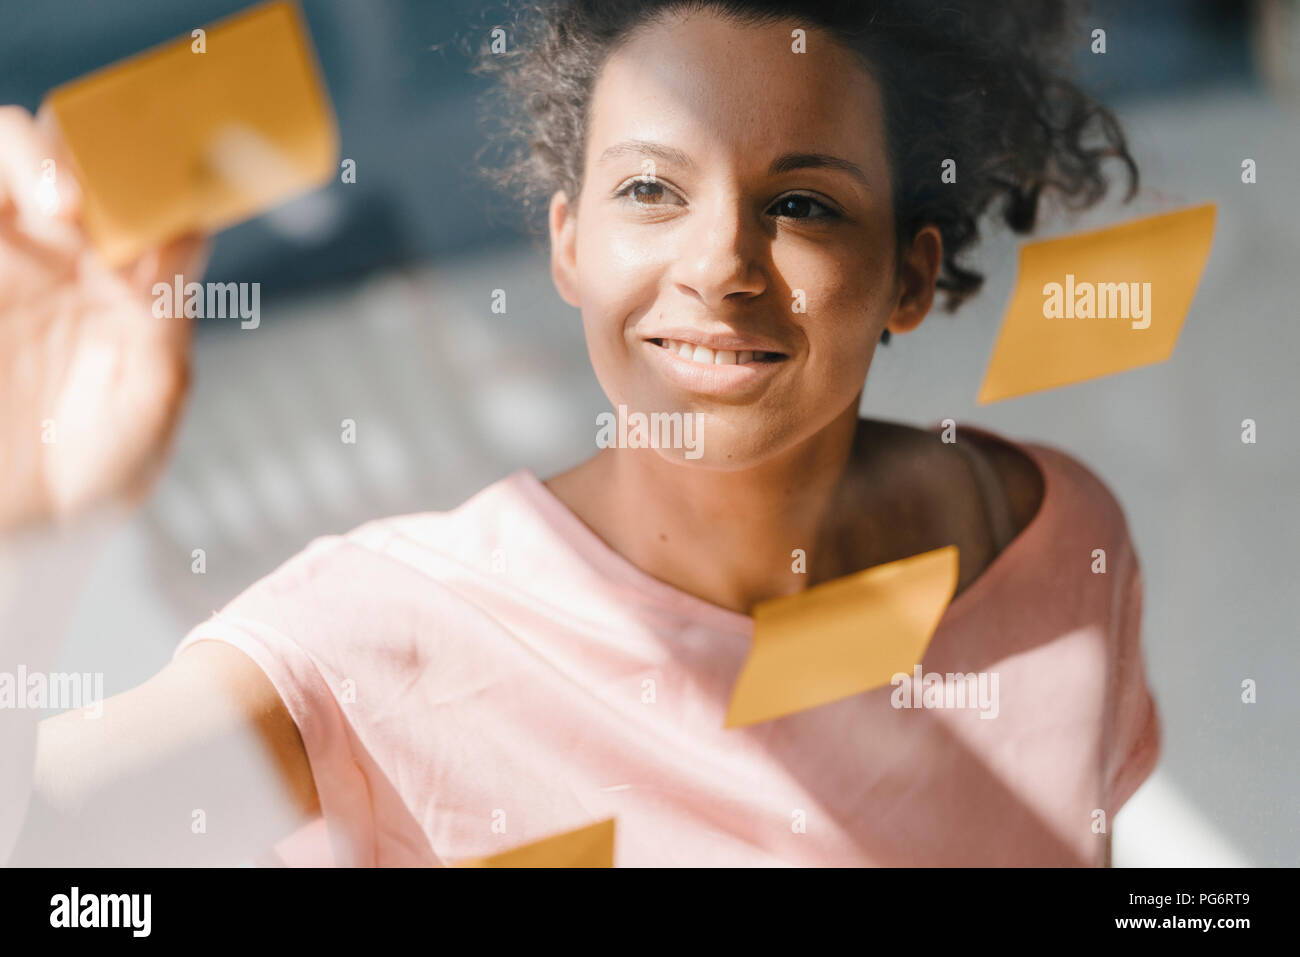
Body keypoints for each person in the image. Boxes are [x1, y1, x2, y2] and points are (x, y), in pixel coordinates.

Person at [1, 0, 1160, 866]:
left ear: (908, 276)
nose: (715, 265)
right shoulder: (372, 641)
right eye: (652, 191)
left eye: (802, 203)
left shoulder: (1057, 539)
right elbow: (44, 845)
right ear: (566, 246)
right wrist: (24, 530)